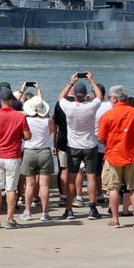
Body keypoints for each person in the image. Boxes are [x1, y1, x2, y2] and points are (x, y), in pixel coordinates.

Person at [97, 85, 134, 228]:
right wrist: (132, 142)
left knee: (113, 188)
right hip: (131, 154)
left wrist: (111, 141)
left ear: (115, 98)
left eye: (110, 98)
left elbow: (100, 137)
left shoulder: (108, 115)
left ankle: (115, 219)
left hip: (113, 155)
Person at [0, 89, 32, 229]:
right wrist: (19, 136)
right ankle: (10, 219)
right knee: (11, 189)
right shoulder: (20, 116)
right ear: (11, 100)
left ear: (0, 101)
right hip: (13, 156)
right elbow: (28, 136)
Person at [58, 72, 103, 220]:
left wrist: (70, 83)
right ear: (85, 95)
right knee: (90, 177)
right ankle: (92, 208)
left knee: (71, 178)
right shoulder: (91, 107)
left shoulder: (69, 107)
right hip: (90, 145)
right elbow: (99, 97)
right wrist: (92, 80)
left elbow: (60, 98)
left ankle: (69, 210)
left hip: (73, 146)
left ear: (75, 94)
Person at [20, 94, 55, 222]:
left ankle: (28, 211)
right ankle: (45, 213)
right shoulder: (48, 121)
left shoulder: (26, 120)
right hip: (45, 151)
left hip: (30, 151)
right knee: (44, 186)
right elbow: (51, 134)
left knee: (29, 185)